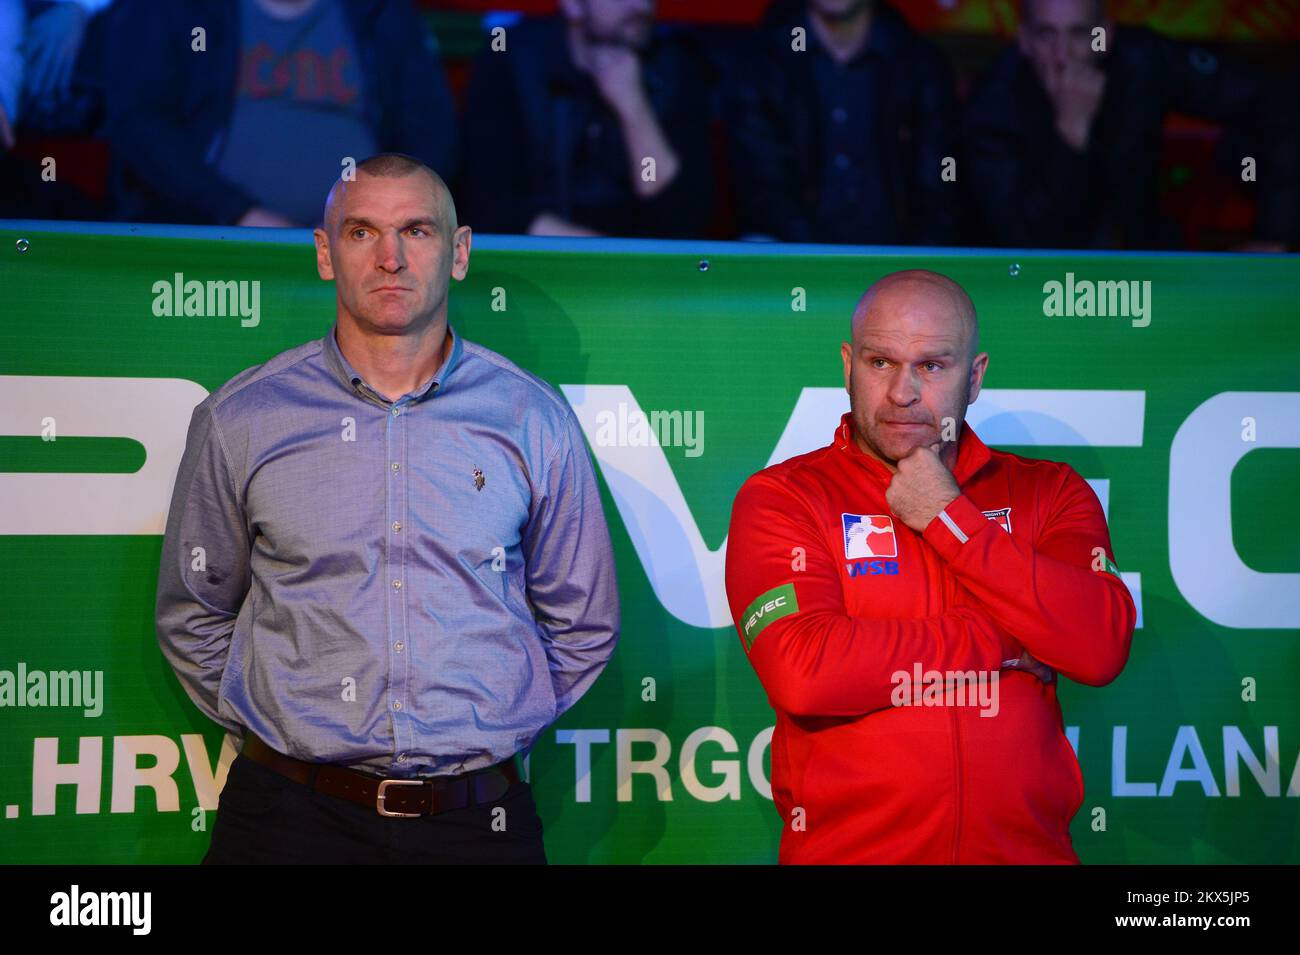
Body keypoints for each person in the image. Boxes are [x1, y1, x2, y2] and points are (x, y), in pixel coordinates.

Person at [155, 153, 620, 864]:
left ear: (458, 253)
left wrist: (496, 716)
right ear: (324, 252)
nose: (391, 258)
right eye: (362, 232)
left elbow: (582, 620)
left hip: (478, 823)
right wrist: (280, 717)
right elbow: (193, 609)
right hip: (288, 819)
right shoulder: (243, 417)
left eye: (418, 231)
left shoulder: (532, 418)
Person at [724, 268, 1136, 863]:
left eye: (932, 366)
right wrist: (1001, 639)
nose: (901, 392)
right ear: (847, 365)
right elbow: (806, 673)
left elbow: (1099, 645)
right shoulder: (785, 496)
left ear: (975, 378)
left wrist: (950, 518)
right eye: (880, 363)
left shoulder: (1049, 492)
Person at [963, 0, 1298, 250]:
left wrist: (1274, 234)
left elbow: (1277, 101)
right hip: (1048, 289)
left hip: (1151, 263)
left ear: (1105, 34)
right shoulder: (991, 106)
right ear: (1023, 39)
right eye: (1046, 35)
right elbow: (1025, 246)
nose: (1062, 55)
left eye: (1080, 34)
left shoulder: (1144, 60)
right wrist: (1069, 135)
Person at [104, 0, 458, 227]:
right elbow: (139, 123)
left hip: (367, 251)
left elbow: (430, 126)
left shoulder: (380, 13)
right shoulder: (178, 11)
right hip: (207, 237)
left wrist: (388, 216)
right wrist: (237, 211)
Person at [459, 0, 714, 238]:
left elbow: (683, 220)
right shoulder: (511, 63)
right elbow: (491, 209)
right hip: (533, 268)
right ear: (573, 5)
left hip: (646, 278)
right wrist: (607, 264)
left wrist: (634, 108)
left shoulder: (675, 69)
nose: (641, 6)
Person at [725, 0, 959, 245]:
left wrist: (918, 260)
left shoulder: (920, 63)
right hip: (793, 251)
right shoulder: (762, 63)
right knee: (759, 243)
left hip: (900, 258)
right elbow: (761, 185)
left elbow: (944, 174)